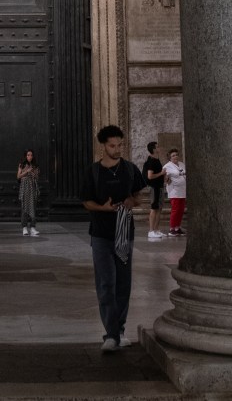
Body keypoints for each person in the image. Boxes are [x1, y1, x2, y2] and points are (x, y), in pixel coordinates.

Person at [80, 125, 145, 353]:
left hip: (123, 232)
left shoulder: (130, 169)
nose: (117, 149)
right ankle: (110, 333)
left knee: (123, 284)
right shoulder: (94, 172)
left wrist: (131, 202)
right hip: (100, 232)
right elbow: (86, 202)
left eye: (120, 145)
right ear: (103, 146)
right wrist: (103, 208)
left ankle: (119, 330)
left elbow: (139, 196)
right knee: (106, 283)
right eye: (112, 146)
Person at [143, 142, 166, 240]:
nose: (159, 148)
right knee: (154, 208)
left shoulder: (157, 160)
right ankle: (151, 231)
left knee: (159, 208)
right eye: (157, 147)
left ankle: (156, 230)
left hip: (159, 187)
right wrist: (161, 173)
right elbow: (150, 176)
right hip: (154, 187)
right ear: (153, 149)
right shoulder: (151, 161)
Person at [164, 148, 187, 236]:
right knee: (175, 210)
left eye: (176, 155)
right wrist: (166, 179)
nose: (175, 156)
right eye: (173, 155)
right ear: (170, 158)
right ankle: (172, 228)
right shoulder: (167, 166)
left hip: (182, 190)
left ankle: (177, 227)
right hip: (174, 191)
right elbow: (165, 177)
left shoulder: (181, 164)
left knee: (181, 210)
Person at [16, 149, 40, 237]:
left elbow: (37, 177)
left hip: (32, 187)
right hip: (25, 187)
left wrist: (33, 173)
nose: (30, 157)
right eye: (28, 155)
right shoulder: (21, 165)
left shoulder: (35, 166)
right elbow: (18, 176)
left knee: (33, 207)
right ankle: (24, 227)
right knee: (25, 207)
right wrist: (26, 171)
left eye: (31, 155)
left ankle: (33, 228)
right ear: (25, 156)